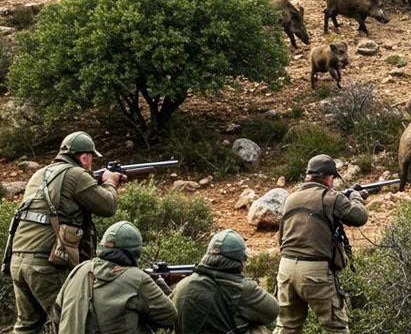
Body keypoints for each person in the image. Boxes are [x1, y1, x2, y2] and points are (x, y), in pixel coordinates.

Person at [4, 132, 124, 334]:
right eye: (91, 157)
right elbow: (107, 206)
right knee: (71, 322)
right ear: (84, 157)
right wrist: (110, 182)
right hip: (47, 264)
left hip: (19, 260)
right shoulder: (76, 174)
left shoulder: (39, 175)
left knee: (27, 326)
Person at [273, 155, 368, 334]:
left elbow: (282, 237)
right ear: (329, 177)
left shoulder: (291, 198)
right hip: (315, 271)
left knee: (286, 326)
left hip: (285, 268)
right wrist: (356, 198)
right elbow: (359, 217)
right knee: (335, 328)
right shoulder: (331, 198)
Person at [49, 221, 177, 334]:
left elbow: (56, 315)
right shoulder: (137, 279)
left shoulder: (79, 270)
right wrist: (166, 292)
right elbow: (170, 317)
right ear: (135, 252)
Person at [172, 230, 279, 334]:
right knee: (257, 330)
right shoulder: (241, 288)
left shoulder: (182, 285)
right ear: (241, 262)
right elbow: (272, 311)